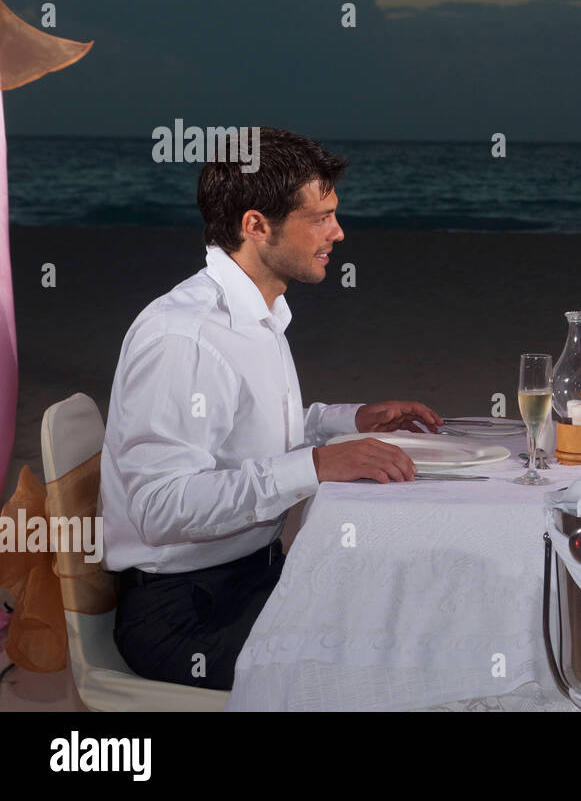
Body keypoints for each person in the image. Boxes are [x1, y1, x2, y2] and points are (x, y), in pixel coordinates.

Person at [99, 127, 445, 690]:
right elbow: (159, 508)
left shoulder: (255, 312)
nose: (338, 232)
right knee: (389, 668)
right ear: (255, 226)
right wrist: (314, 467)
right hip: (183, 617)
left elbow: (243, 432)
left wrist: (348, 421)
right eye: (321, 217)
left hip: (251, 580)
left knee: (413, 611)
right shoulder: (182, 336)